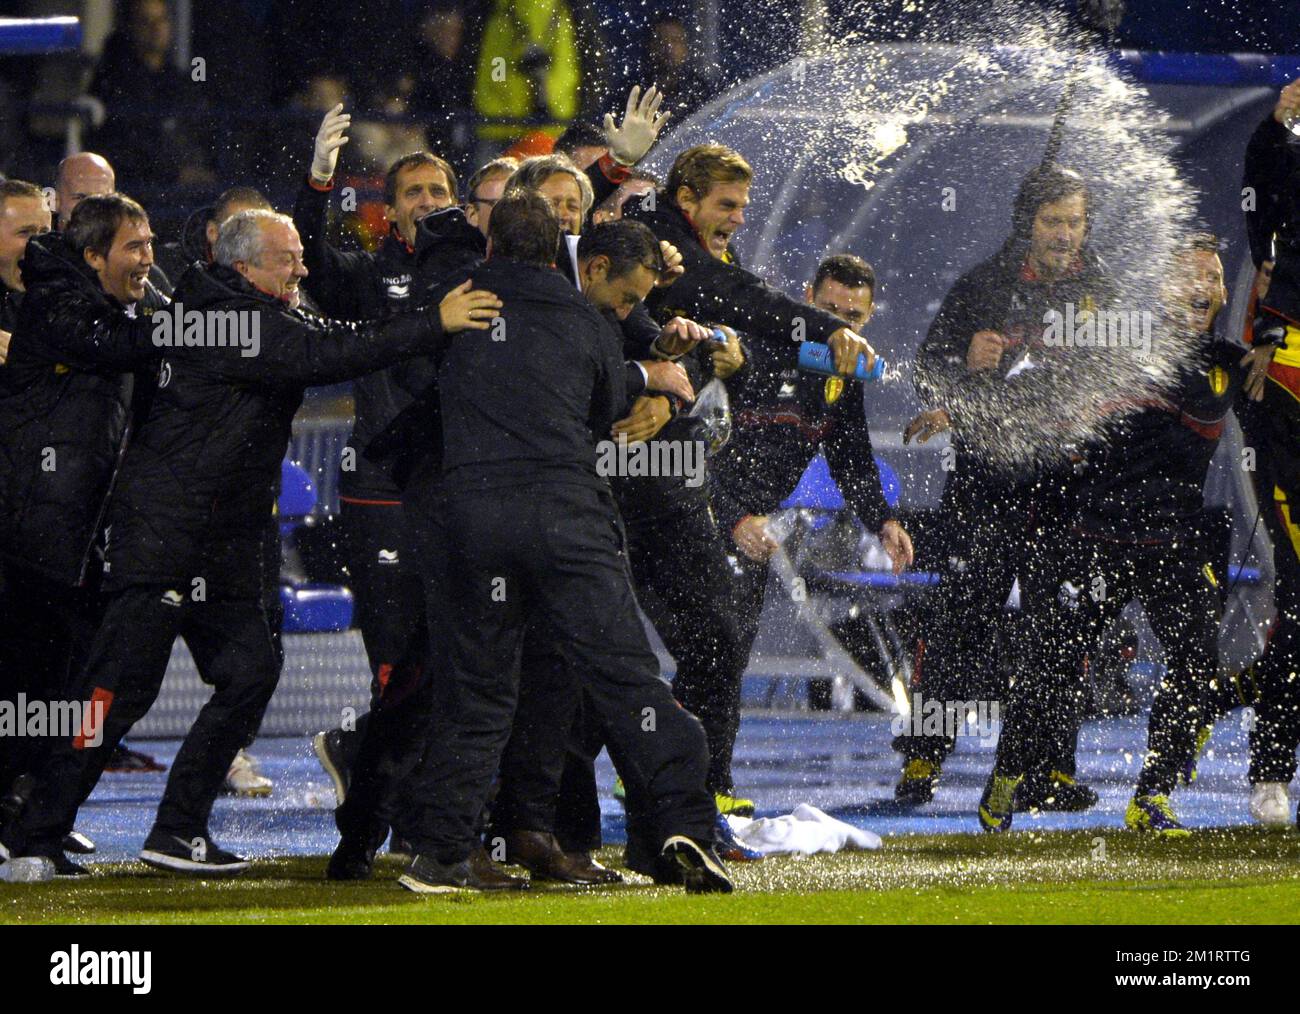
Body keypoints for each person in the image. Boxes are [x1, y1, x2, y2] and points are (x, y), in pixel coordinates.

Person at [0, 209, 499, 878]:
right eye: (288, 260)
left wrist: (421, 326)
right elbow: (331, 354)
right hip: (167, 536)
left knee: (249, 672)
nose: (303, 269)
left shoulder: (244, 311)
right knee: (118, 692)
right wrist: (432, 322)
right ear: (244, 268)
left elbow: (338, 335)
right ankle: (34, 833)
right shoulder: (229, 324)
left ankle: (177, 830)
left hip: (214, 542)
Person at [399, 191, 730, 894]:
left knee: (477, 692)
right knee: (625, 679)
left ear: (491, 246)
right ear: (561, 252)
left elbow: (402, 363)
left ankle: (443, 853)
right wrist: (656, 379)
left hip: (475, 523)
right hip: (566, 521)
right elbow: (604, 400)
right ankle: (681, 825)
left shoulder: (453, 303)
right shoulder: (579, 315)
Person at [902, 163, 1114, 819]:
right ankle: (923, 757)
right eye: (1053, 222)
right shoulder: (981, 287)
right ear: (1029, 223)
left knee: (1059, 632)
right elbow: (926, 371)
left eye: (1074, 223)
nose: (1064, 236)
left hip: (1062, 491)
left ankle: (1050, 767)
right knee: (963, 623)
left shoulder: (1101, 294)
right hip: (984, 486)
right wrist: (962, 368)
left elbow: (1111, 385)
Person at [1046, 235, 1241, 836]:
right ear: (1162, 288)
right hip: (1101, 533)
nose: (1202, 286)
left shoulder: (1229, 363)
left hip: (1174, 541)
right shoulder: (1123, 347)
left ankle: (1152, 794)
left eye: (1212, 277)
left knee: (1196, 660)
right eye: (1190, 276)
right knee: (1056, 655)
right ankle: (1036, 774)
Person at [0, 194, 166, 873]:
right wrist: (194, 323)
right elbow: (124, 344)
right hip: (32, 533)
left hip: (80, 537)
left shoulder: (108, 306)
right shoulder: (58, 305)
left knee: (62, 689)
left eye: (153, 242)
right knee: (23, 688)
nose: (149, 259)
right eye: (135, 247)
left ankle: (31, 815)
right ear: (94, 255)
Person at [708, 254, 914, 765]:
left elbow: (851, 458)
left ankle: (705, 786)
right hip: (696, 514)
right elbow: (692, 449)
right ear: (805, 299)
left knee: (725, 652)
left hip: (751, 525)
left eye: (854, 319)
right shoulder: (747, 350)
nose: (840, 328)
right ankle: (667, 780)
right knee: (700, 649)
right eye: (828, 311)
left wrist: (883, 520)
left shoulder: (842, 373)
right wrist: (733, 516)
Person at [1234, 76, 1300, 828]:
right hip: (1287, 394)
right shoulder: (1282, 147)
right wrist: (1278, 126)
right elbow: (1270, 227)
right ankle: (1272, 769)